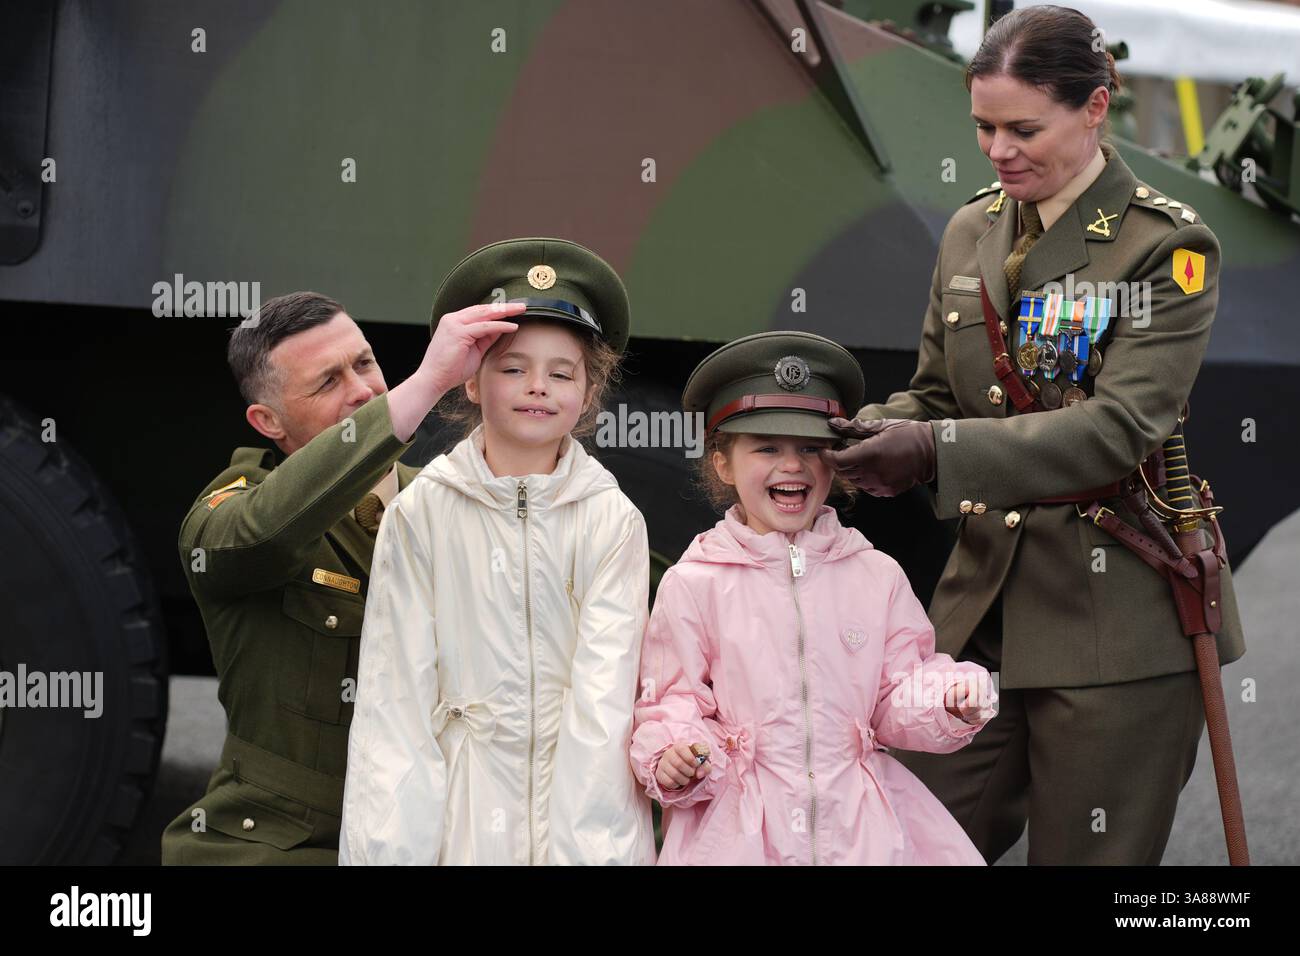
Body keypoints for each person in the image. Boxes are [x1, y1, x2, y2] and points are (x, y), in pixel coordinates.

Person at [820, 5, 1245, 864]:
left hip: (1117, 623)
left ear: (1095, 107)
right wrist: (864, 434)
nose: (998, 149)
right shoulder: (973, 229)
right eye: (982, 126)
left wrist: (933, 454)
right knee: (896, 844)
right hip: (982, 614)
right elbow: (940, 394)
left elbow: (1117, 431)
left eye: (1024, 128)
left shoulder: (1167, 248)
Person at [161, 290, 524, 864]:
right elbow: (265, 533)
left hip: (435, 837)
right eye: (327, 382)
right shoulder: (227, 518)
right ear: (268, 421)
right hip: (289, 843)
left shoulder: (443, 499)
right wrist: (426, 385)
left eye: (364, 363)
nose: (362, 389)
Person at [338, 238, 656, 865]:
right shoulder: (421, 513)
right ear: (472, 384)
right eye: (512, 368)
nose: (537, 387)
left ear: (588, 394)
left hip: (577, 819)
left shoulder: (612, 521)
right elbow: (393, 705)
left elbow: (605, 708)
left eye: (562, 373)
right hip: (460, 823)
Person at [629, 331, 996, 865]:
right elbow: (671, 698)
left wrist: (946, 697)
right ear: (723, 464)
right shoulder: (695, 583)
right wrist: (675, 753)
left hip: (861, 828)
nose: (792, 465)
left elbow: (897, 691)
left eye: (810, 448)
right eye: (767, 448)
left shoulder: (875, 574)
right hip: (744, 835)